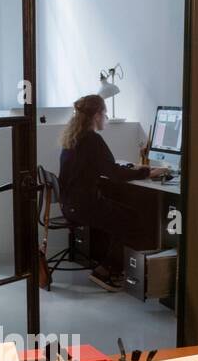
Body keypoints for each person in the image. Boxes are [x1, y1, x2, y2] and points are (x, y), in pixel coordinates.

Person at [58, 94, 170, 291]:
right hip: (84, 205)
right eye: (105, 113)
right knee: (131, 219)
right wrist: (147, 172)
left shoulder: (73, 138)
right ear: (97, 115)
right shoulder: (92, 139)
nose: (106, 117)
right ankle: (108, 271)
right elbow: (114, 173)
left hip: (70, 205)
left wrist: (135, 170)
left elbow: (105, 169)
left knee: (119, 213)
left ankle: (107, 267)